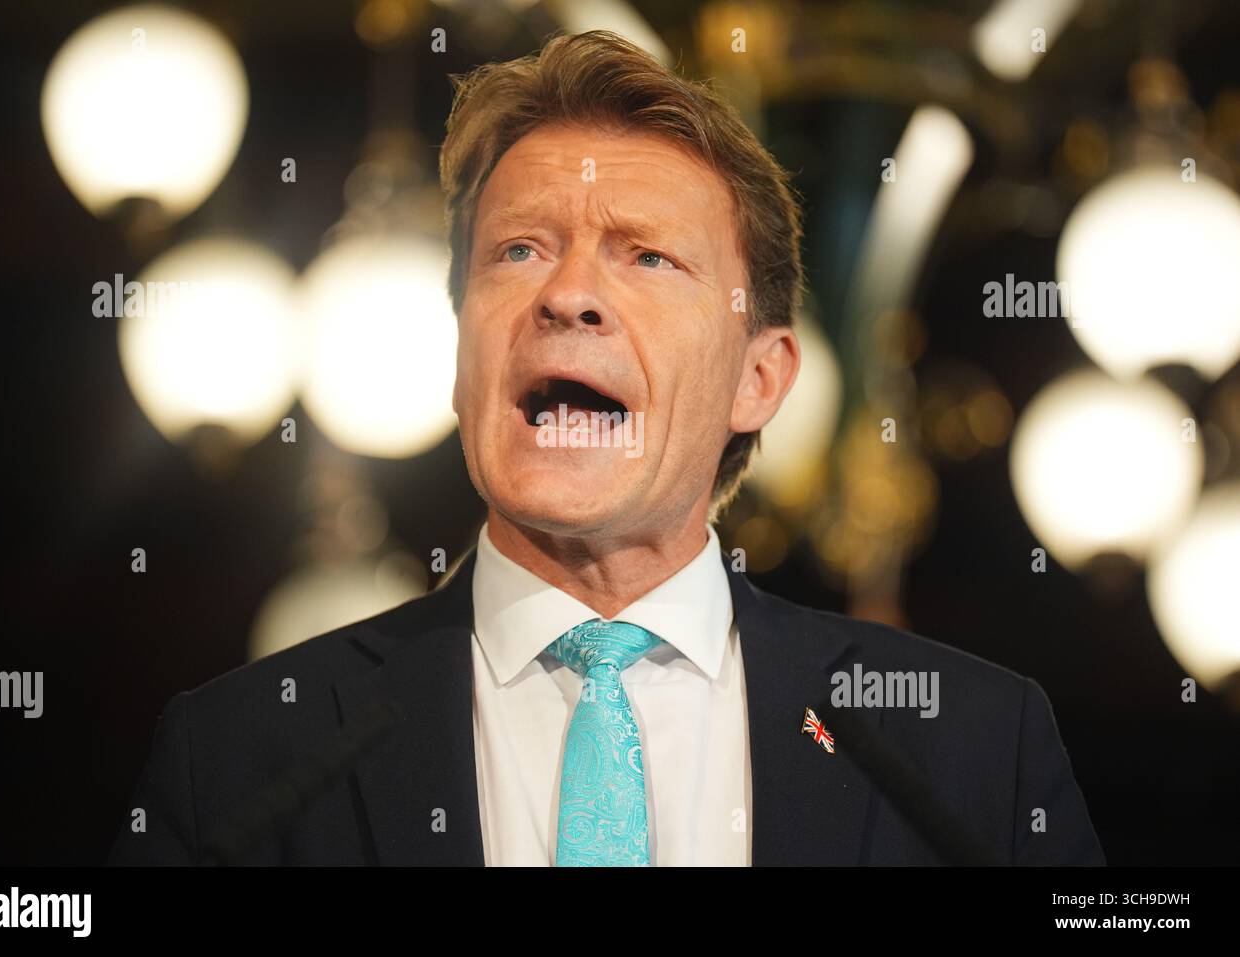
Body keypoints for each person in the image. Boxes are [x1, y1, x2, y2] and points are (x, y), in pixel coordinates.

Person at [108, 29, 1103, 867]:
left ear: (758, 380)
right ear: (459, 364)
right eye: (519, 250)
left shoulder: (973, 749)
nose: (566, 294)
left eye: (646, 256)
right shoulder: (238, 756)